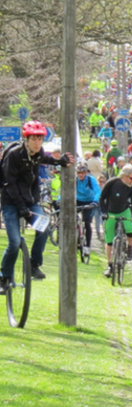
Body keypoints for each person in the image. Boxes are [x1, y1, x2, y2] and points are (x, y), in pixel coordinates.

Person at [0, 122, 73, 285]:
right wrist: (21, 207)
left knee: (45, 228)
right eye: (34, 139)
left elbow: (45, 158)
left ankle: (34, 265)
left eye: (40, 139)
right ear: (26, 140)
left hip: (30, 201)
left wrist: (61, 161)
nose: (37, 142)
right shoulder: (14, 155)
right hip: (11, 202)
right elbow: (9, 184)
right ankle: (4, 276)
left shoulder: (38, 153)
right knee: (14, 242)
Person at [99, 165, 132, 277]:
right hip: (111, 212)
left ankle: (130, 247)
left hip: (124, 210)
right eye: (131, 178)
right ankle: (110, 265)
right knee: (109, 241)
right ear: (124, 176)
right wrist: (104, 212)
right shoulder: (112, 183)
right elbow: (102, 198)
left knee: (130, 230)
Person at [75, 162, 101, 257]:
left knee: (86, 222)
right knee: (72, 219)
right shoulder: (75, 180)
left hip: (89, 201)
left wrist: (95, 201)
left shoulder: (91, 179)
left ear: (86, 172)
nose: (80, 175)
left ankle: (87, 246)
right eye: (78, 173)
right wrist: (59, 200)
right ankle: (76, 237)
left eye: (82, 172)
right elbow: (65, 191)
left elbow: (97, 191)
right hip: (77, 200)